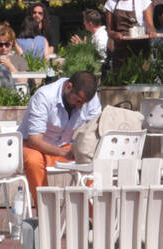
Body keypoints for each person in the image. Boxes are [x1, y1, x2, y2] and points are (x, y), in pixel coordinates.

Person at [19, 70, 101, 198]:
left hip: (66, 146)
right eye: (78, 101)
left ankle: (93, 214)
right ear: (68, 87)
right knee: (34, 160)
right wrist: (65, 153)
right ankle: (45, 212)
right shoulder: (44, 96)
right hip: (34, 147)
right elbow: (34, 140)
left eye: (84, 103)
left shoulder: (90, 98)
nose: (80, 106)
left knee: (95, 161)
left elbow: (95, 130)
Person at [105, 0, 155, 67]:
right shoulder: (111, 2)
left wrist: (151, 30)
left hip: (141, 50)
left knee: (141, 79)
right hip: (121, 51)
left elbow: (149, 23)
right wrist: (115, 35)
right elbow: (110, 31)